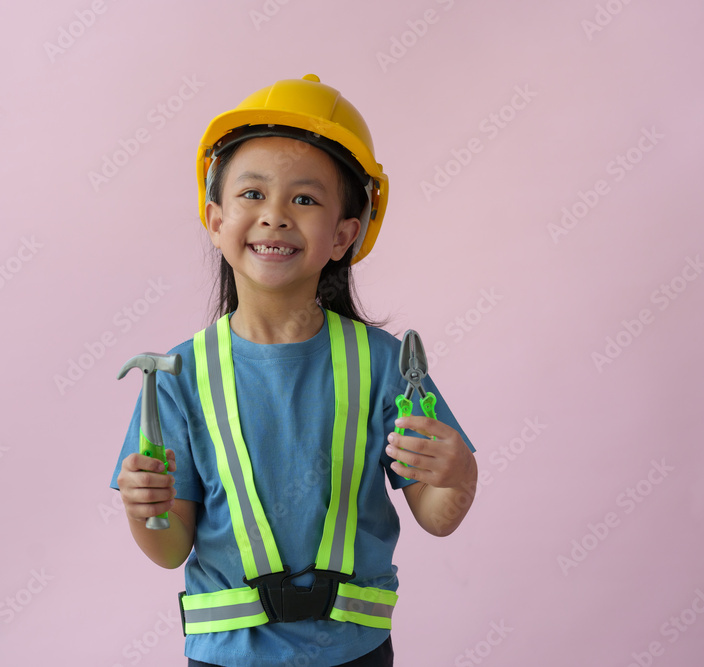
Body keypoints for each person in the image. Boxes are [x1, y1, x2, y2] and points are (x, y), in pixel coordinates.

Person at [111, 74, 477, 667]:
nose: (275, 216)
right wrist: (143, 508)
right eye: (252, 194)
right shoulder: (179, 378)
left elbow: (436, 515)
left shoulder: (381, 364)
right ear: (214, 219)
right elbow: (170, 547)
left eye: (304, 199)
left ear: (343, 235)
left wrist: (458, 476)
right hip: (226, 656)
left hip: (355, 653)